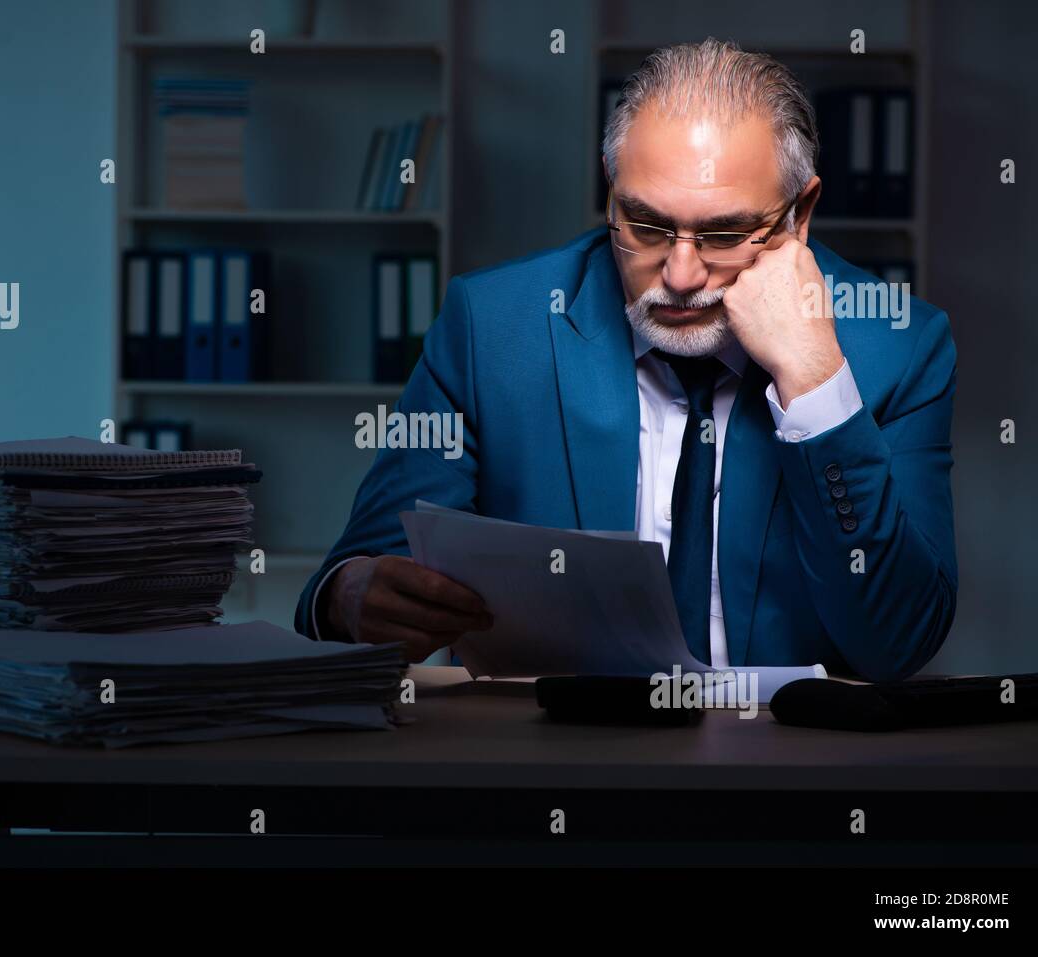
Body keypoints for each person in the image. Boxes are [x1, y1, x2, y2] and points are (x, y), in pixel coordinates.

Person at [295, 38, 957, 682]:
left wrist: (816, 385)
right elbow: (345, 584)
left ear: (800, 213)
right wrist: (351, 598)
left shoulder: (900, 348)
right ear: (611, 187)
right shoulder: (491, 328)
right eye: (645, 224)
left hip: (790, 773)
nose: (680, 272)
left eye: (724, 233)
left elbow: (897, 642)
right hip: (554, 765)